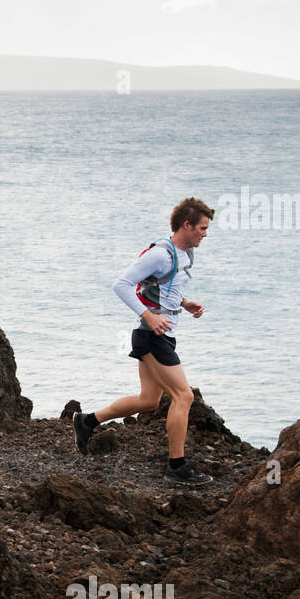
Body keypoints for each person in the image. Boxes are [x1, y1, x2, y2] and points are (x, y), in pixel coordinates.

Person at [73, 197, 214, 484]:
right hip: (151, 336)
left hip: (164, 334)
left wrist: (184, 303)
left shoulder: (184, 255)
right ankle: (177, 466)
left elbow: (163, 288)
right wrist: (149, 316)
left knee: (149, 401)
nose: (205, 233)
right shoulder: (160, 254)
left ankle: (87, 421)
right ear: (186, 225)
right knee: (183, 396)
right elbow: (122, 285)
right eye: (202, 227)